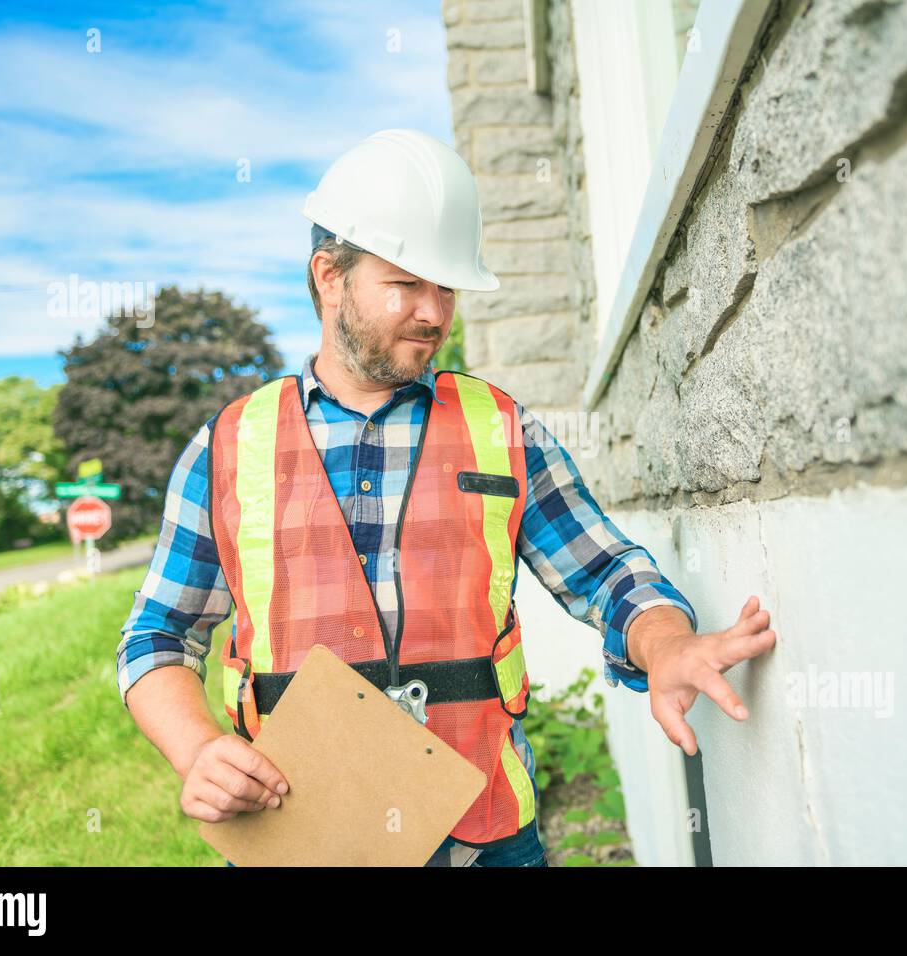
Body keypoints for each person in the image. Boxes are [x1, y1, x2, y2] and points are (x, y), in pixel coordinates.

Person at [117, 129, 778, 867]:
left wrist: (667, 644)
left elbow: (607, 574)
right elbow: (157, 635)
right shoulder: (229, 447)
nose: (435, 312)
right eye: (407, 283)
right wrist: (197, 748)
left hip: (484, 835)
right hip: (300, 836)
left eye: (447, 288)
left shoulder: (502, 429)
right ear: (329, 277)